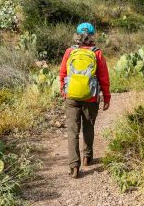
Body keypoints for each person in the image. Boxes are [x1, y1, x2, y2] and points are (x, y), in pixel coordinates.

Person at [58, 22, 111, 179]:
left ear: (77, 34)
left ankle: (74, 166)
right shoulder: (97, 53)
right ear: (93, 35)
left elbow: (62, 73)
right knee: (88, 127)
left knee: (72, 131)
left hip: (72, 97)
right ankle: (87, 157)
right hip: (91, 96)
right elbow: (104, 78)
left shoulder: (69, 51)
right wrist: (106, 97)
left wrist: (64, 91)